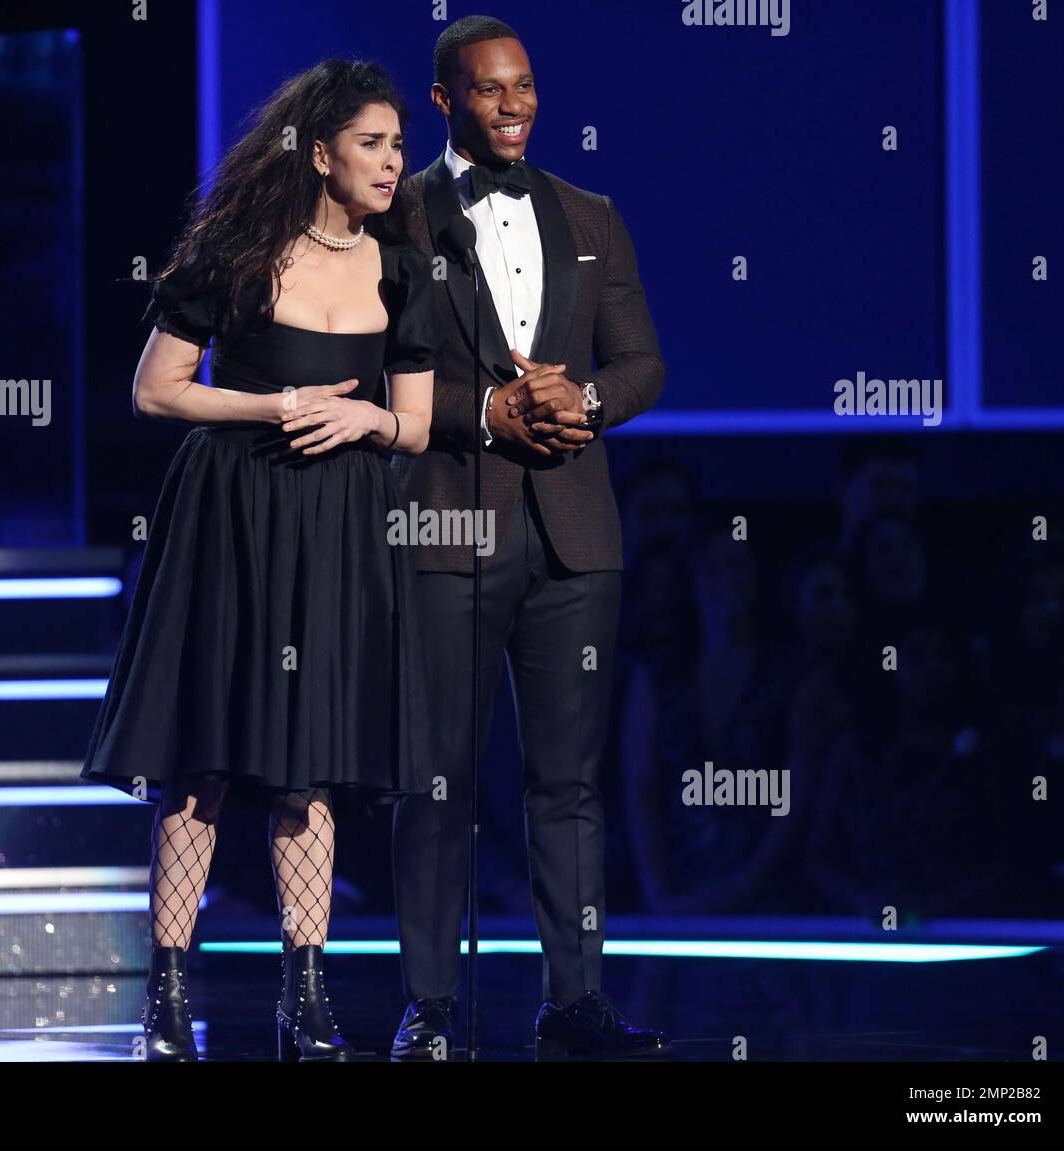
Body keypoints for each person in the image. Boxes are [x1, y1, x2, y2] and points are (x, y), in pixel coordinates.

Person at [80, 59, 436, 1062]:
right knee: (203, 761)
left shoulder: (404, 266)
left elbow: (411, 423)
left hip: (337, 524)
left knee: (308, 764)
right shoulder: (236, 250)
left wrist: (363, 414)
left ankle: (306, 993)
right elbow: (157, 390)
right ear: (318, 153)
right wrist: (275, 406)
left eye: (397, 145)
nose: (389, 161)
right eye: (370, 143)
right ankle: (166, 995)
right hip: (230, 512)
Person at [389, 15, 668, 1060]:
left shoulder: (591, 212)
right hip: (447, 520)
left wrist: (581, 400)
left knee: (569, 779)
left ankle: (575, 1002)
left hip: (574, 532)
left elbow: (642, 362)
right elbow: (372, 364)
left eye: (525, 87)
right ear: (444, 101)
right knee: (438, 777)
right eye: (490, 89)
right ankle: (428, 1005)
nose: (514, 105)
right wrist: (485, 413)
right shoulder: (396, 215)